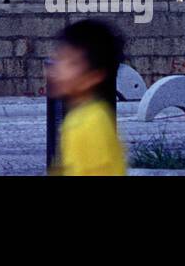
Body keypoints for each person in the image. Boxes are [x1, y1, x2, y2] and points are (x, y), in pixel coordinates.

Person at [45, 19, 127, 176]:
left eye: (71, 62)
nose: (57, 69)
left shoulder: (91, 124)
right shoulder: (80, 117)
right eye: (59, 59)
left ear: (93, 77)